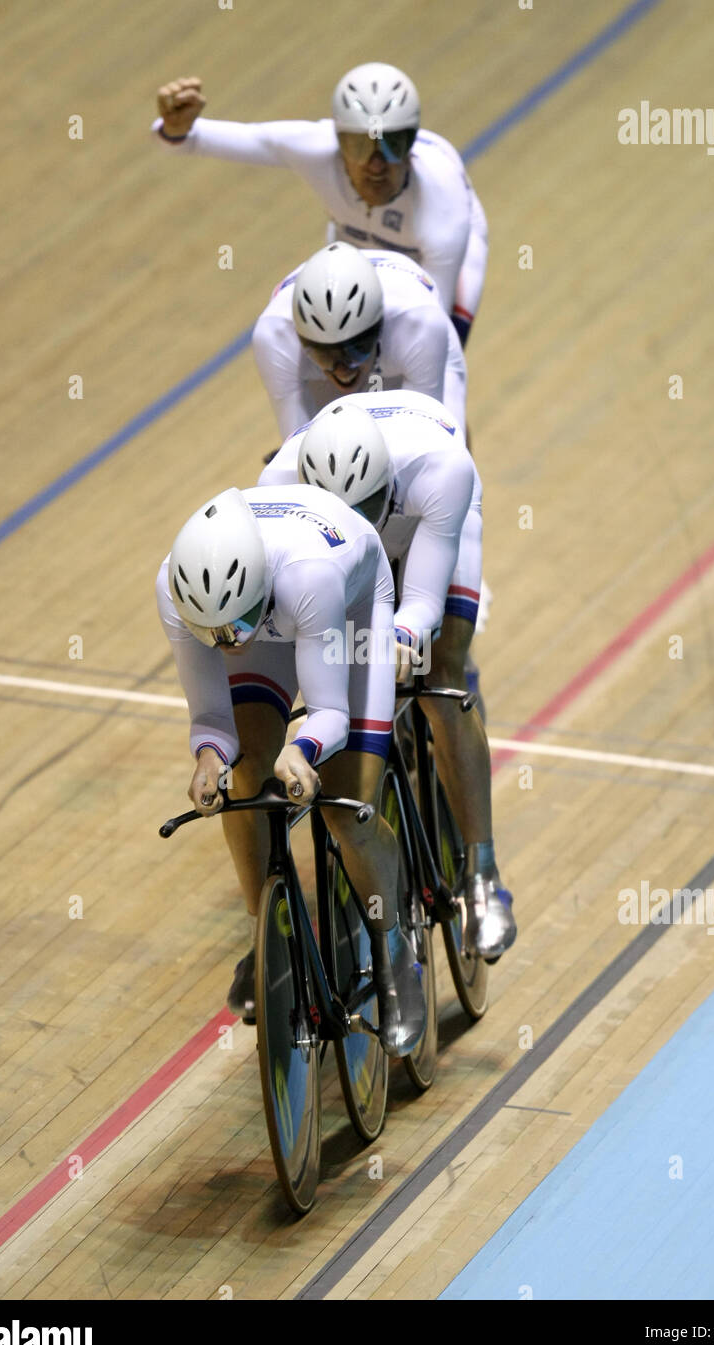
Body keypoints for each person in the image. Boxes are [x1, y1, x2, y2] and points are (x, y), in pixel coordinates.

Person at [156, 484, 426, 1054]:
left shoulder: (309, 577)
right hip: (272, 614)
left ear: (257, 587)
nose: (223, 644)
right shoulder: (177, 593)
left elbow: (330, 711)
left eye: (233, 626)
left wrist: (302, 750)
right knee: (246, 779)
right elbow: (212, 715)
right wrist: (210, 759)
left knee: (346, 810)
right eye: (211, 633)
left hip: (346, 610)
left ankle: (393, 947)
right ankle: (268, 938)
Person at [259, 393, 516, 960]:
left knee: (441, 676)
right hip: (338, 563)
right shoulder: (277, 481)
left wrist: (402, 638)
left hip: (429, 525)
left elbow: (421, 602)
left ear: (387, 487)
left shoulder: (441, 472)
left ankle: (482, 872)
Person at [151, 62, 488, 346]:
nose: (375, 164)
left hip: (435, 262)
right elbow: (190, 142)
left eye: (392, 146)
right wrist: (176, 128)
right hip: (354, 244)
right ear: (337, 141)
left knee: (430, 370)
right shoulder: (314, 148)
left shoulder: (443, 201)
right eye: (360, 147)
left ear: (411, 144)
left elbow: (431, 327)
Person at [253, 241, 467, 438]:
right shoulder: (275, 338)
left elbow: (428, 439)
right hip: (365, 360)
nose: (341, 370)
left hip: (410, 349)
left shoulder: (419, 326)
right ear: (302, 340)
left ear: (379, 327)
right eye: (324, 356)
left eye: (356, 350)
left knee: (450, 446)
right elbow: (296, 439)